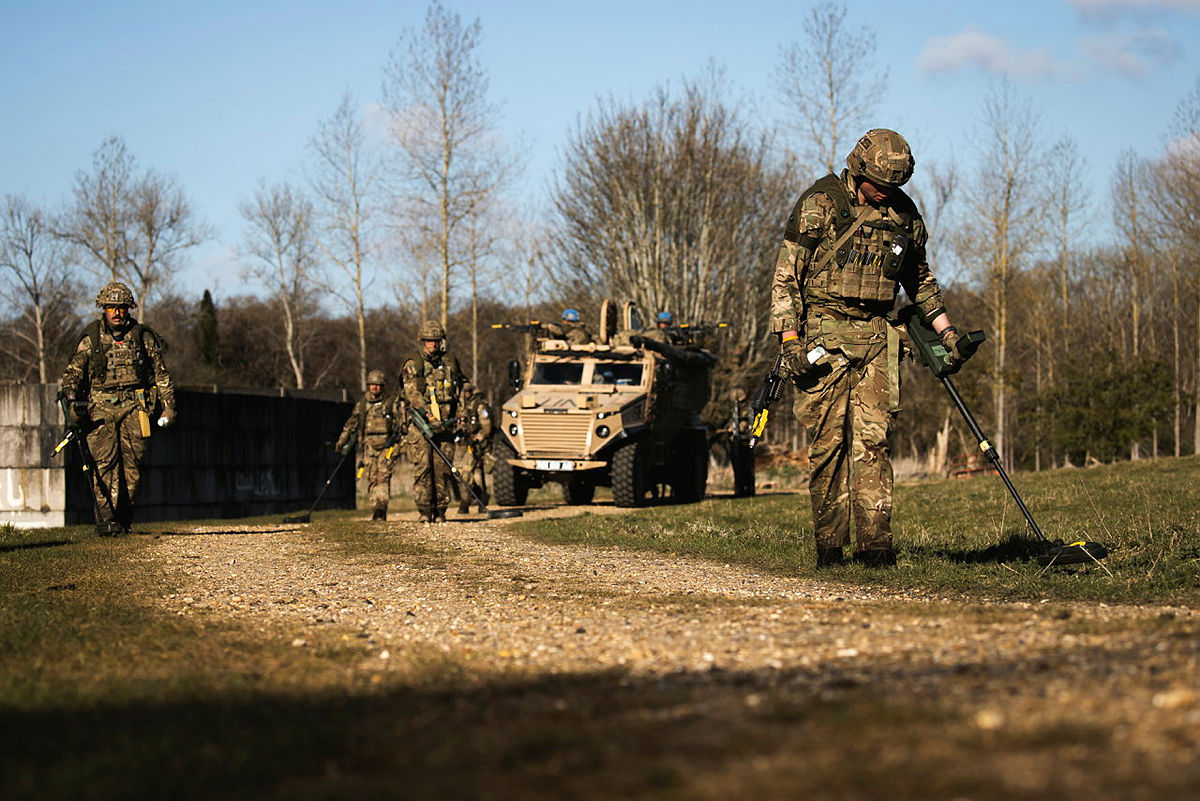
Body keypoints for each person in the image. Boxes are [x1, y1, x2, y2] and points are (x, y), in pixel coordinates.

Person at [770, 128, 967, 568]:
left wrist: (947, 332)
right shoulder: (821, 204)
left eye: (895, 187)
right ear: (859, 171)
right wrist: (790, 341)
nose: (886, 194)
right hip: (824, 336)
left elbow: (919, 281)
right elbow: (786, 277)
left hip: (878, 338)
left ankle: (876, 547)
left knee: (873, 443)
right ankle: (830, 547)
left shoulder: (903, 214)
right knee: (828, 446)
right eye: (880, 185)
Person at [59, 281, 176, 535]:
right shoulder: (91, 338)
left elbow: (161, 375)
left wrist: (168, 407)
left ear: (128, 309)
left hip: (135, 407)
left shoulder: (141, 337)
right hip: (99, 408)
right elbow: (73, 373)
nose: (116, 313)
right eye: (111, 307)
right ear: (103, 309)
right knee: (104, 466)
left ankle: (123, 520)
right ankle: (107, 521)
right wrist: (71, 401)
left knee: (132, 467)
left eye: (121, 308)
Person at [401, 320, 465, 523]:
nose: (433, 344)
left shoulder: (450, 363)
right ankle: (424, 511)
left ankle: (441, 510)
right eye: (429, 341)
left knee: (443, 469)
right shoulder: (414, 363)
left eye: (436, 341)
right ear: (423, 341)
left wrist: (461, 414)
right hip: (423, 425)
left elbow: (460, 390)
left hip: (446, 424)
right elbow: (412, 393)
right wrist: (428, 416)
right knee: (423, 468)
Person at [335, 368, 401, 521]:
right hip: (369, 447)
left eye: (378, 385)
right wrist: (342, 441)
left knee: (383, 477)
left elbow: (400, 423)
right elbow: (351, 424)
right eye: (372, 385)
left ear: (383, 386)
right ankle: (375, 506)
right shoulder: (363, 404)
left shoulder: (391, 402)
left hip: (387, 447)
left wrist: (398, 443)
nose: (375, 388)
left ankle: (381, 509)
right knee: (372, 478)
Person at [452, 381, 494, 514]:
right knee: (460, 472)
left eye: (466, 392)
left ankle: (476, 501)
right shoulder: (458, 406)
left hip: (474, 445)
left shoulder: (479, 406)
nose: (464, 395)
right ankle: (467, 501)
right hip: (460, 444)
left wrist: (477, 438)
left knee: (473, 473)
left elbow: (486, 426)